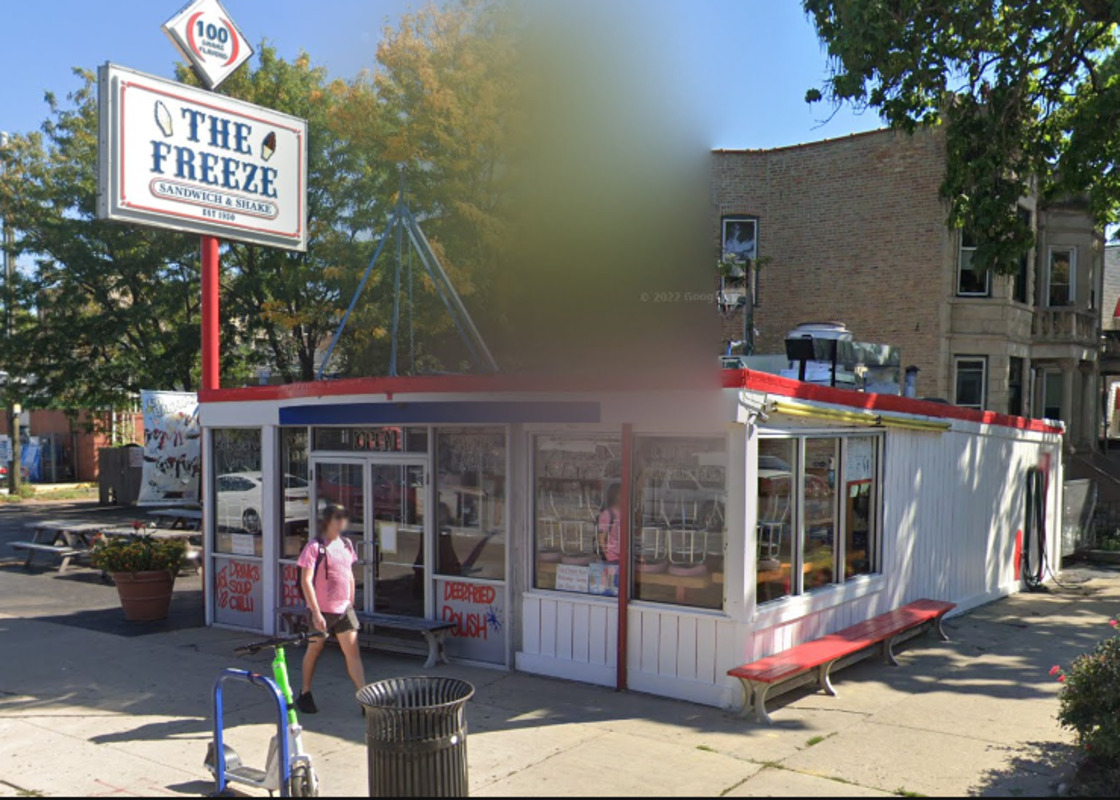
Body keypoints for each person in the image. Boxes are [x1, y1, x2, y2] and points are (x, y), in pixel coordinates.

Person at [294, 504, 366, 715]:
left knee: (353, 654)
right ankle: (305, 693)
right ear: (328, 521)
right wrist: (315, 612)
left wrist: (351, 602)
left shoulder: (346, 544)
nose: (342, 521)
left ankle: (365, 699)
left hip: (344, 610)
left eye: (344, 517)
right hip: (322, 611)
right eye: (338, 517)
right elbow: (306, 580)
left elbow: (349, 574)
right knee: (314, 650)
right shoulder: (315, 547)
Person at [597, 483, 622, 563]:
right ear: (615, 496)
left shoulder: (626, 513)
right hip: (612, 558)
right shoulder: (607, 514)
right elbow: (601, 538)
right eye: (620, 494)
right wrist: (607, 556)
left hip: (624, 557)